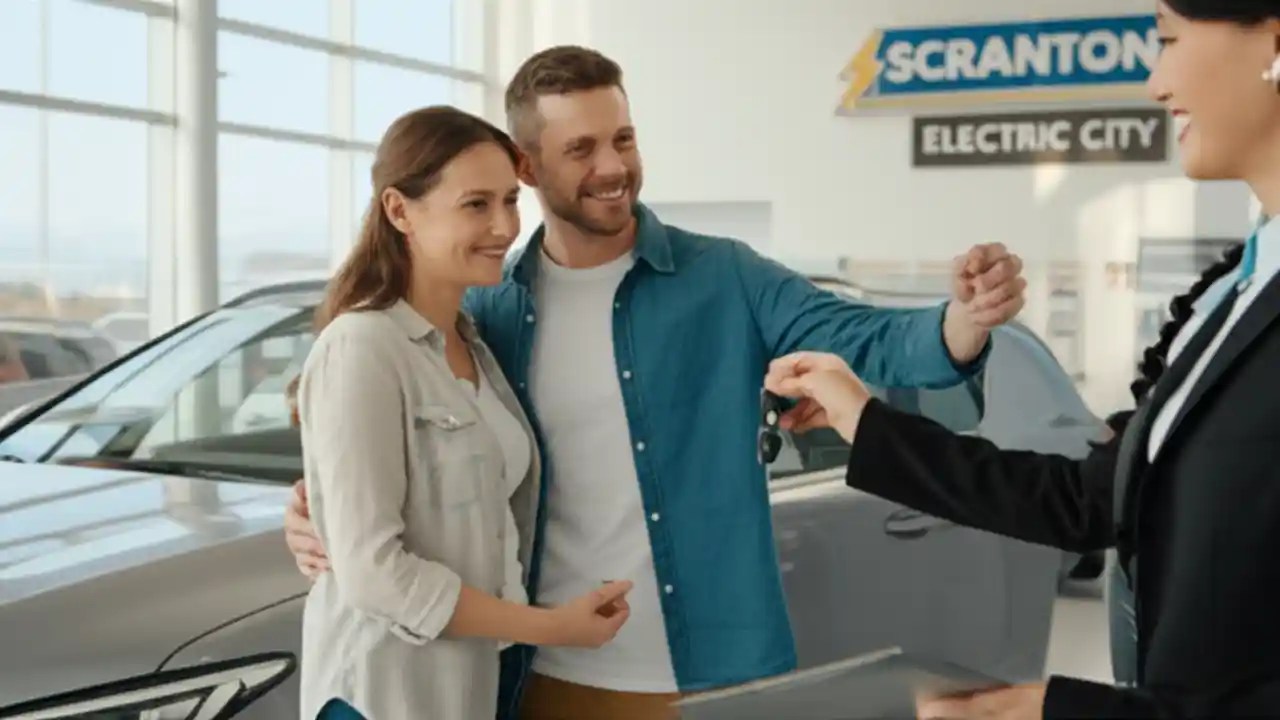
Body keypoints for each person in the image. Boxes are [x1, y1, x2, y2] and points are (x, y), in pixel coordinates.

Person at [286, 46, 1028, 719]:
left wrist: (963, 318)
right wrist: (315, 510)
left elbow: (870, 339)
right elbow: (394, 455)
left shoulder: (725, 278)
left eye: (624, 139)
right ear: (529, 166)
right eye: (580, 148)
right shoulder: (488, 312)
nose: (612, 167)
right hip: (540, 673)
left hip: (713, 673)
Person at [764, 3, 1280, 715]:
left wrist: (1054, 712)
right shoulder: (1239, 292)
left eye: (1168, 41)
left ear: (1274, 42)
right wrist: (866, 420)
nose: (1156, 83)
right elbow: (1084, 501)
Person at [296, 105, 633, 720]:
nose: (504, 226)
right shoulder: (362, 346)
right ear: (400, 211)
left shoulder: (473, 344)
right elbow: (372, 571)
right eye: (476, 204)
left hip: (470, 685)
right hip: (382, 694)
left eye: (510, 200)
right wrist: (548, 627)